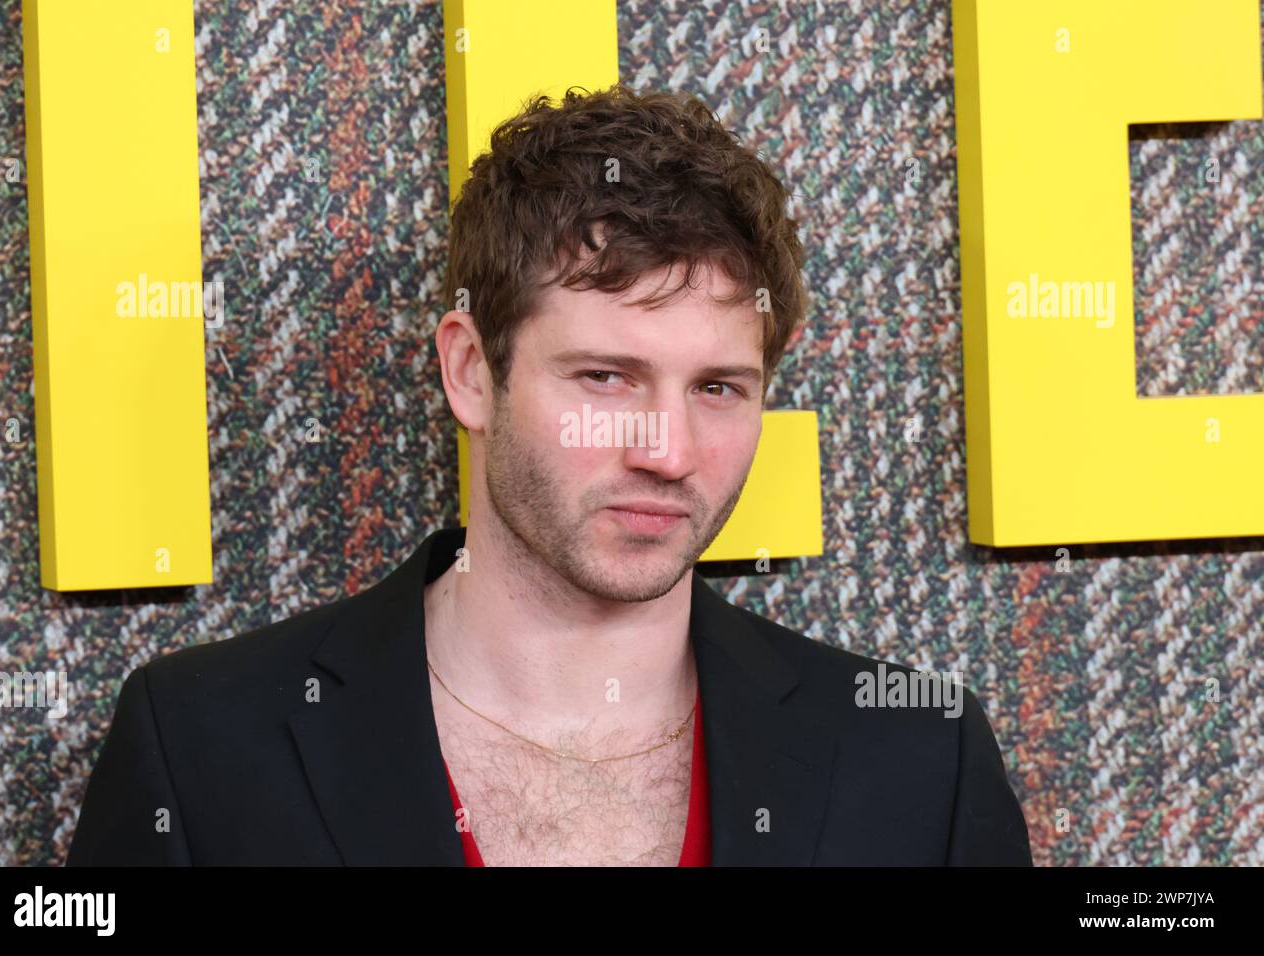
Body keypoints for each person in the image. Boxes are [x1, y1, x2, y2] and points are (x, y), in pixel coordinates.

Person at [66, 84, 1032, 866]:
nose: (669, 449)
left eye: (720, 388)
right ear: (471, 372)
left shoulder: (916, 758)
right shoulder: (202, 748)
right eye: (607, 378)